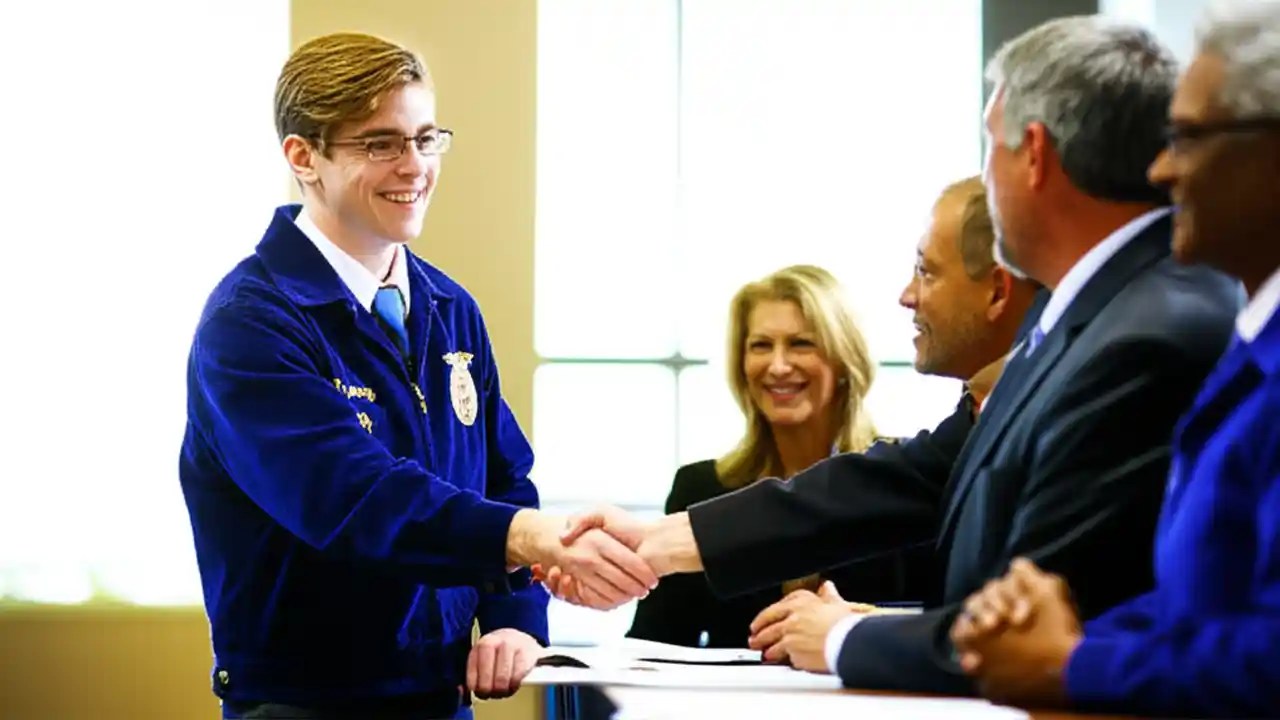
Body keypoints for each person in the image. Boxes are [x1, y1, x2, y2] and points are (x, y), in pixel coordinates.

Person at [550, 16, 1240, 697]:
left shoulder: (1146, 335)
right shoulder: (1097, 312)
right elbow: (915, 476)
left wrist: (845, 637)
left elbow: (1048, 623)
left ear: (1031, 154)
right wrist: (658, 541)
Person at [179, 32, 655, 720]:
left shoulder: (450, 308)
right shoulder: (249, 325)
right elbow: (356, 500)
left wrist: (515, 616)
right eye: (381, 144)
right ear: (302, 156)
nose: (415, 166)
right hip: (303, 704)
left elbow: (502, 476)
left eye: (426, 139)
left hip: (440, 696)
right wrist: (527, 536)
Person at [951, 4, 1280, 716]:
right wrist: (1045, 640)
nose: (1162, 170)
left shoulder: (1176, 332)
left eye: (1189, 138)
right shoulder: (1250, 343)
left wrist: (1072, 661)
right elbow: (1194, 613)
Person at [543, 174, 1041, 627]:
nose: (906, 296)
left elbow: (1027, 634)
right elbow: (837, 497)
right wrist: (649, 543)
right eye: (761, 345)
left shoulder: (1057, 397)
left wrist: (850, 633)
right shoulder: (980, 417)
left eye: (925, 272)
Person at [628, 264, 922, 648]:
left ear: (843, 359)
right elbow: (653, 642)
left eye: (801, 344)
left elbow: (941, 619)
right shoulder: (699, 488)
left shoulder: (903, 479)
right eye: (761, 346)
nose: (778, 366)